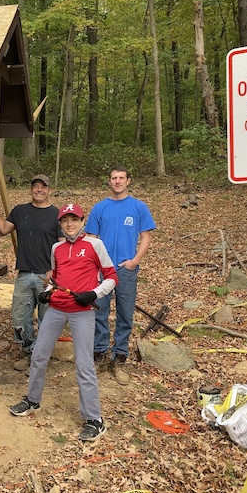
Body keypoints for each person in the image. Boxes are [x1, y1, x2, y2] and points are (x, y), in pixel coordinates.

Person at [9, 203, 118, 441]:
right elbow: (55, 277)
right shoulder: (57, 248)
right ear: (60, 224)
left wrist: (94, 294)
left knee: (84, 364)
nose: (70, 224)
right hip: (56, 309)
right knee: (38, 355)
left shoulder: (94, 245)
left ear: (82, 222)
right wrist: (47, 291)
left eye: (74, 219)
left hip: (82, 311)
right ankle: (33, 400)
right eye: (65, 220)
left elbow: (111, 277)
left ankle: (94, 419)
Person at [85, 165, 156, 385]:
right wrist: (94, 266)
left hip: (126, 270)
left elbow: (146, 237)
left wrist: (135, 261)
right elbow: (90, 239)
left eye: (121, 178)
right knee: (100, 313)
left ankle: (120, 357)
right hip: (102, 270)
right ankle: (99, 353)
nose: (117, 181)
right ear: (109, 181)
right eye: (114, 178)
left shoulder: (138, 207)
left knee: (125, 314)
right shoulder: (100, 208)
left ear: (128, 181)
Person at [0, 174, 63, 371]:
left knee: (46, 320)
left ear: (50, 191)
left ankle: (39, 357)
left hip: (48, 277)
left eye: (43, 187)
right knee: (20, 319)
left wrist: (55, 271)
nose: (39, 189)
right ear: (31, 189)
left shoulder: (56, 215)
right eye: (36, 186)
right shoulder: (20, 211)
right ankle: (29, 351)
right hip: (24, 274)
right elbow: (2, 230)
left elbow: (63, 248)